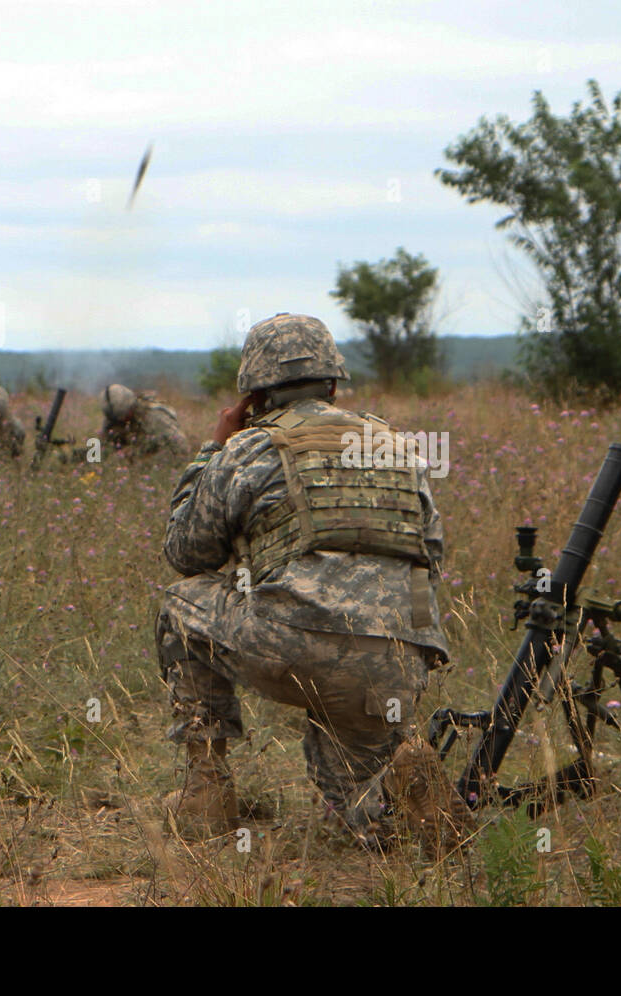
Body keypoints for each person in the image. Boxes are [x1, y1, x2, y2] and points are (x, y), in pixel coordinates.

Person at [153, 313, 466, 851]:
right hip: (395, 660)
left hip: (295, 646)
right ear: (334, 384)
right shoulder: (399, 449)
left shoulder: (246, 449)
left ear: (253, 394)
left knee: (180, 605)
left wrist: (211, 451)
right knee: (357, 815)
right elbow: (429, 558)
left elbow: (186, 554)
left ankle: (206, 792)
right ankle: (403, 771)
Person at [99, 383, 191, 463]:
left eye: (124, 416)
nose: (121, 421)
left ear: (131, 406)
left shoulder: (154, 416)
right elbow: (103, 448)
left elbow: (181, 449)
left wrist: (139, 457)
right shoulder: (112, 419)